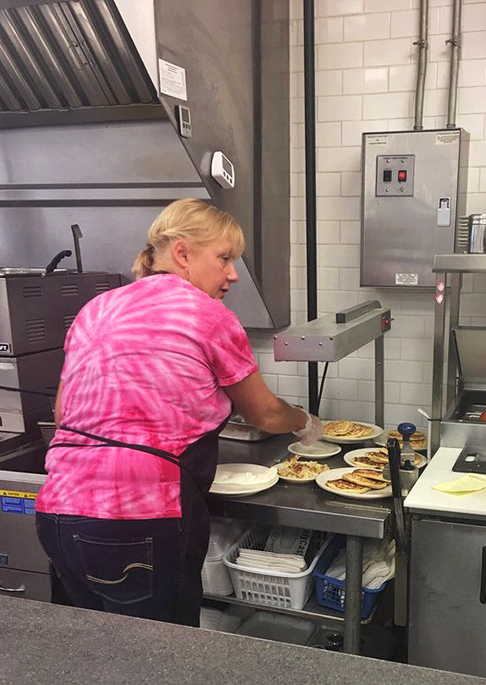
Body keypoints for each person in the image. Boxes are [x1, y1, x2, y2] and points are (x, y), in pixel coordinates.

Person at [35, 199, 322, 627]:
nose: (232, 274)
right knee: (161, 662)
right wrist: (306, 423)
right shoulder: (209, 315)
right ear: (183, 253)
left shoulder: (96, 309)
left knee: (97, 652)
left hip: (58, 513)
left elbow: (63, 414)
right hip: (140, 522)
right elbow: (264, 413)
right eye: (224, 258)